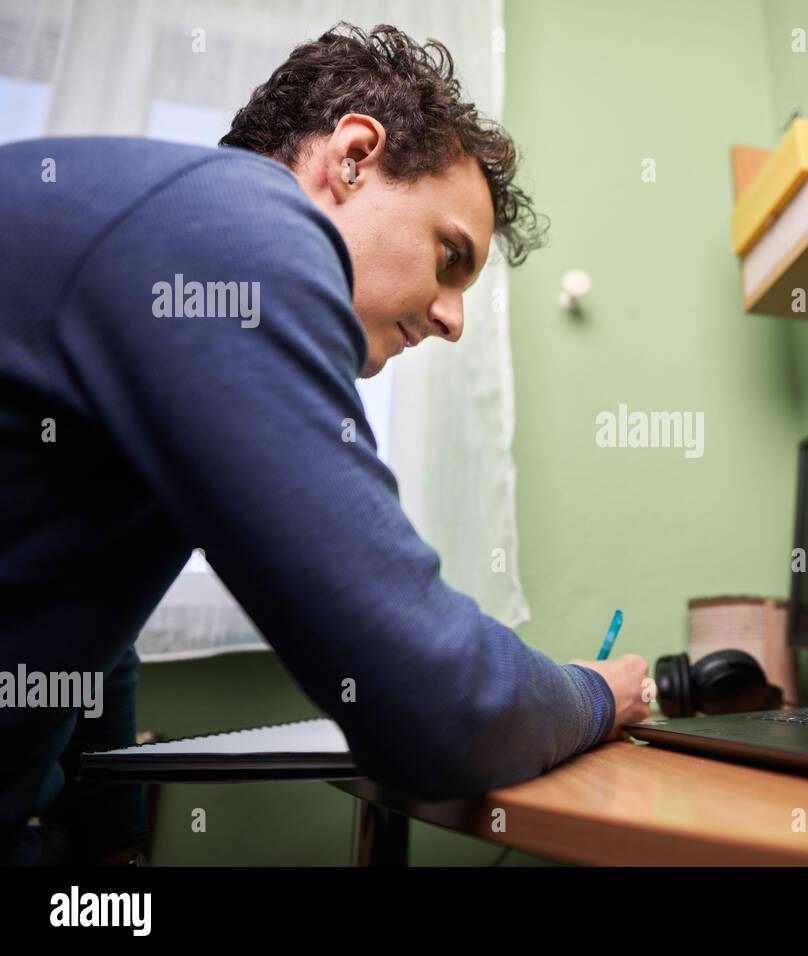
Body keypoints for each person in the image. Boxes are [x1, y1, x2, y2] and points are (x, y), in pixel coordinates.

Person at [0, 22, 650, 866]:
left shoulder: (175, 237)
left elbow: (100, 620)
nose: (453, 320)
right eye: (450, 258)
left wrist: (115, 857)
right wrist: (596, 695)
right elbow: (432, 705)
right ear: (351, 155)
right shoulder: (236, 235)